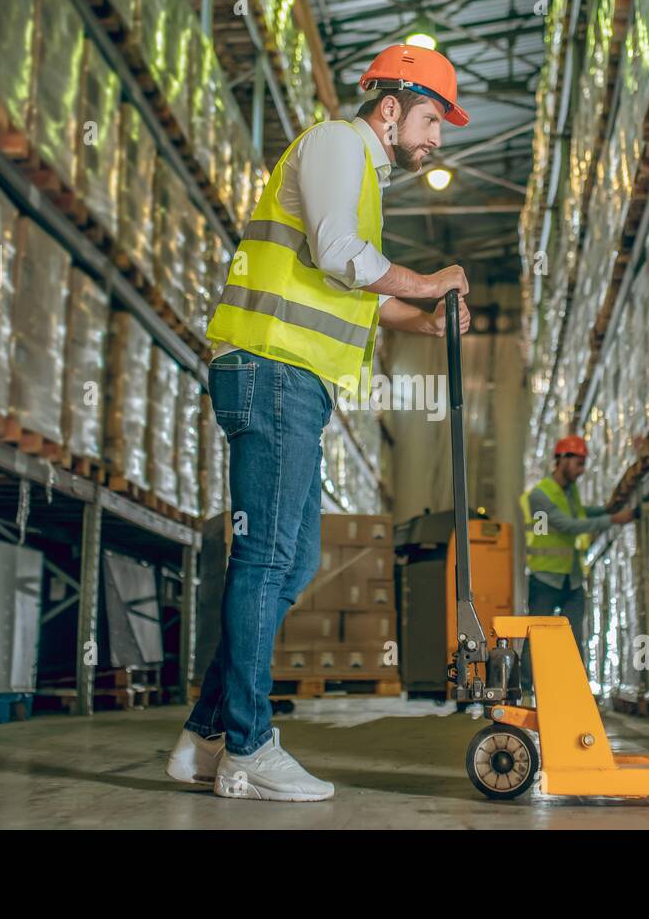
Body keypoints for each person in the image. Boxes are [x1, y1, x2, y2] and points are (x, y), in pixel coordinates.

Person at [165, 45, 472, 802]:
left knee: (291, 562)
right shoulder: (338, 144)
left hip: (288, 379)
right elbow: (342, 256)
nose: (435, 139)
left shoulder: (361, 176)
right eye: (432, 119)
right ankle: (247, 746)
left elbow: (354, 289)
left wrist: (424, 321)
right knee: (268, 560)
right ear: (391, 107)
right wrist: (429, 280)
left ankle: (204, 738)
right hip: (271, 370)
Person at [519, 435, 636, 693]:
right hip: (545, 577)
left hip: (571, 578)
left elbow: (580, 514)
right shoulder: (539, 496)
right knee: (536, 636)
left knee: (573, 638)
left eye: (584, 464)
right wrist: (613, 519)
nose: (581, 470)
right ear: (561, 459)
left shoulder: (569, 492)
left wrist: (604, 510)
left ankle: (572, 691)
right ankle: (526, 689)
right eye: (578, 463)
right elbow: (568, 525)